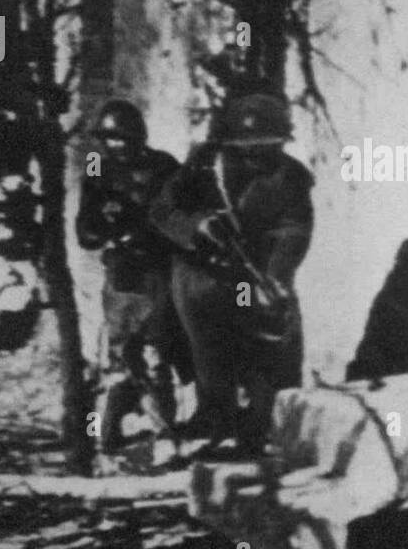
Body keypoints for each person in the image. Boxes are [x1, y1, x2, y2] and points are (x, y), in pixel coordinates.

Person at [149, 92, 314, 456]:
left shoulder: (292, 177)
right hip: (199, 275)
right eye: (247, 148)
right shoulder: (203, 167)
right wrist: (199, 226)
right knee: (210, 354)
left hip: (251, 275)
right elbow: (162, 211)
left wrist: (276, 277)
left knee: (267, 347)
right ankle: (214, 424)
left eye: (267, 148)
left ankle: (260, 431)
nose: (256, 157)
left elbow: (294, 231)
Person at [75, 99, 186, 455]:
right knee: (121, 357)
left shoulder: (164, 167)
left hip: (158, 271)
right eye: (108, 139)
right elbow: (86, 229)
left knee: (156, 354)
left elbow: (184, 217)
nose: (114, 146)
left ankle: (165, 433)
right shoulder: (98, 171)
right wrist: (108, 230)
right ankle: (108, 437)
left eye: (120, 138)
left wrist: (150, 231)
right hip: (122, 274)